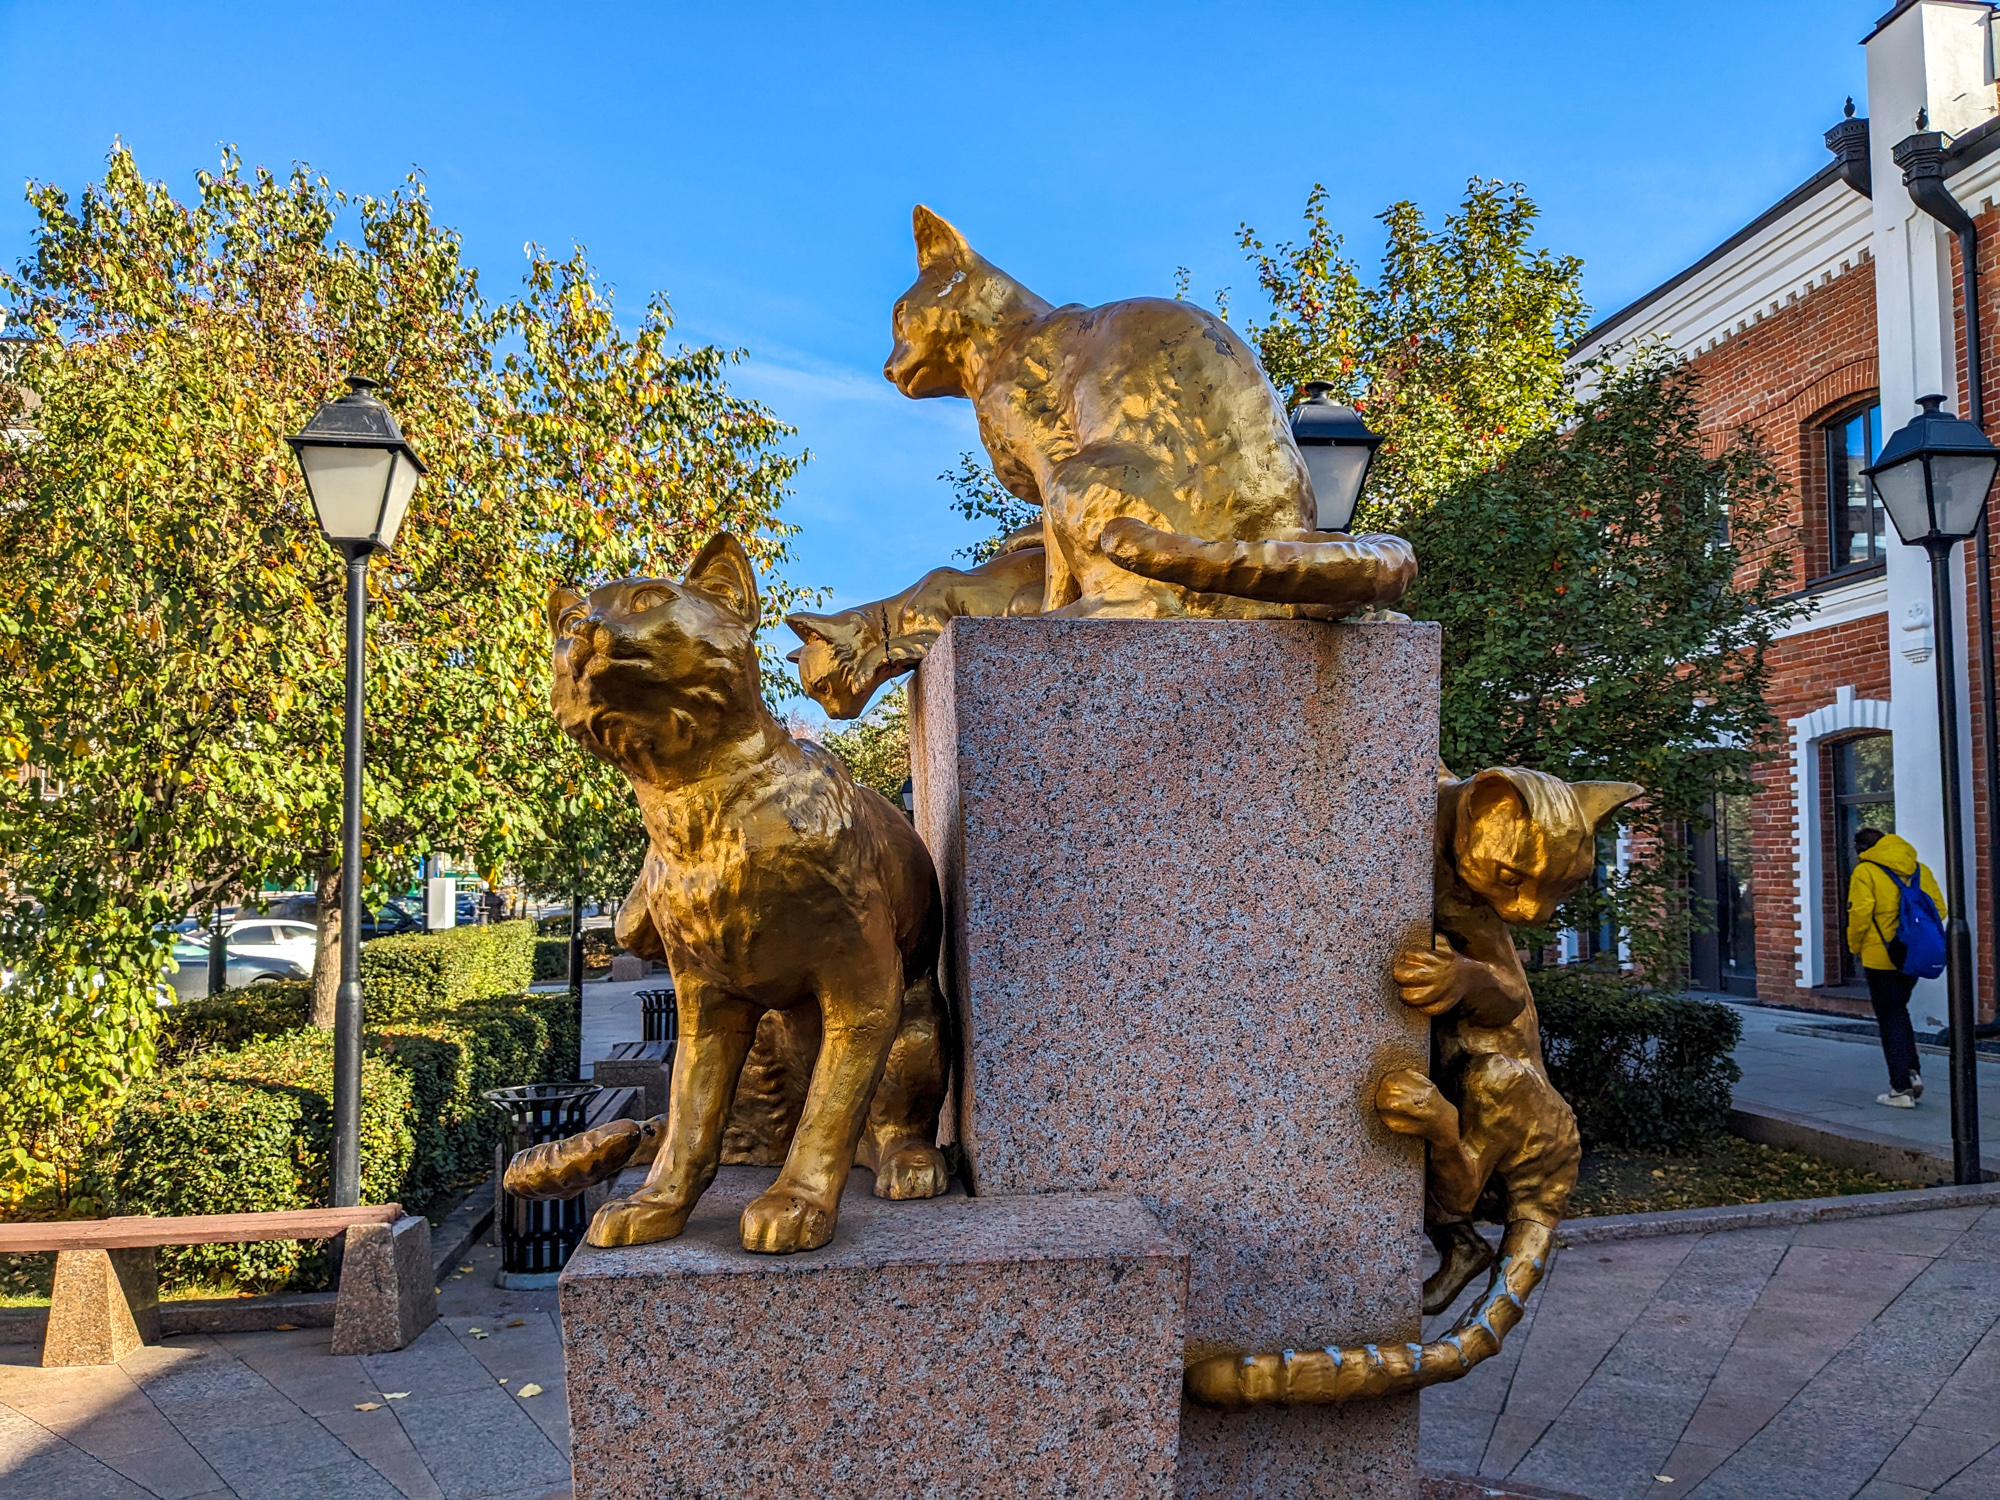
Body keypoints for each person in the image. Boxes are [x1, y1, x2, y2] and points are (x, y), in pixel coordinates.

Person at [1845, 826, 1945, 1108]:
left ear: (1861, 849)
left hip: (1881, 956)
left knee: (1891, 1017)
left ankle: (1901, 1088)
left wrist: (1854, 946)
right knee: (1899, 1012)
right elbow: (1940, 908)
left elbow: (1861, 913)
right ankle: (1911, 1074)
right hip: (1913, 955)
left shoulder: (1865, 871)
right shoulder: (1919, 869)